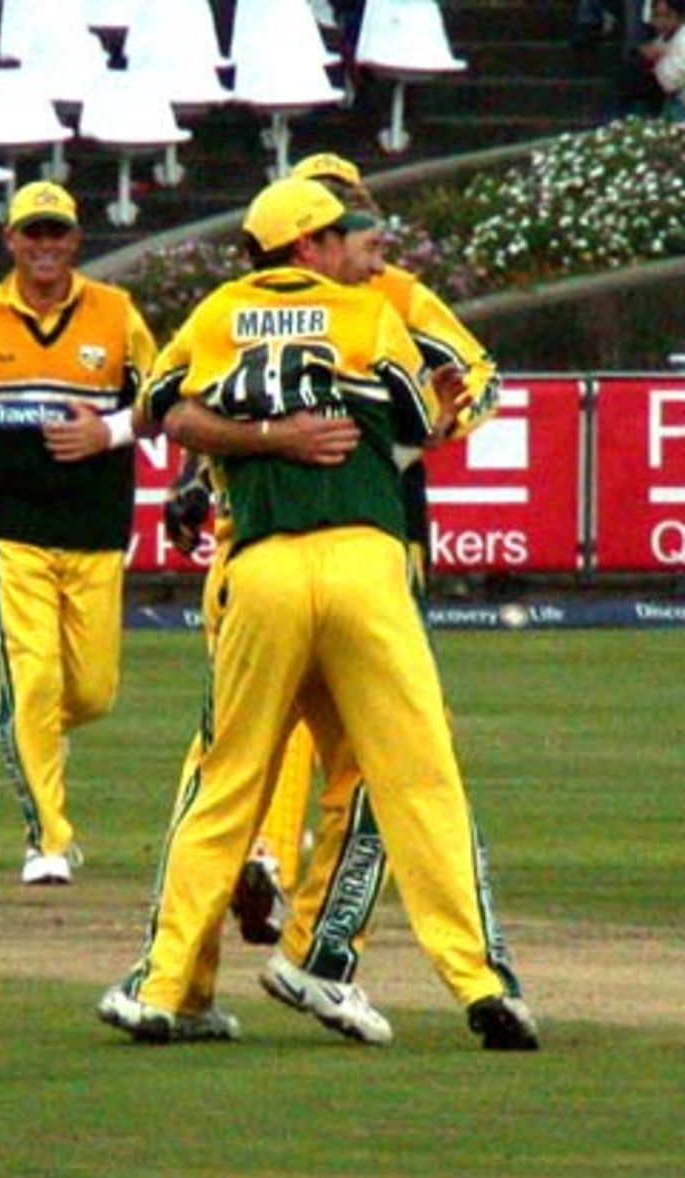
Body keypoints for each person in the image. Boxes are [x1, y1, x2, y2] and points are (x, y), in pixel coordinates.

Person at [98, 176, 539, 1050]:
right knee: (420, 777)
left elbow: (156, 407)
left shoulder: (221, 310)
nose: (360, 247)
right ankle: (482, 983)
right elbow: (422, 417)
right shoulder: (368, 314)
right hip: (367, 558)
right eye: (344, 232)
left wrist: (258, 434)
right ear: (307, 247)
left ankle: (159, 985)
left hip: (259, 561)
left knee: (227, 784)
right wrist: (361, 424)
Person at [0, 180, 157, 885]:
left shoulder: (116, 315)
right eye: (32, 234)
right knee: (38, 677)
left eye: (57, 234)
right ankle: (49, 839)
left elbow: (164, 403)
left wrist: (104, 432)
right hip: (11, 527)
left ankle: (21, 717)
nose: (44, 247)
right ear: (10, 240)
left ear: (75, 241)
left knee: (93, 692)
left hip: (97, 527)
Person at [639, 0, 685, 118]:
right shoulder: (663, 39)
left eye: (667, 16)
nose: (661, 22)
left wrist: (656, 59)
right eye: (656, 16)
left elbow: (672, 82)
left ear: (681, 16)